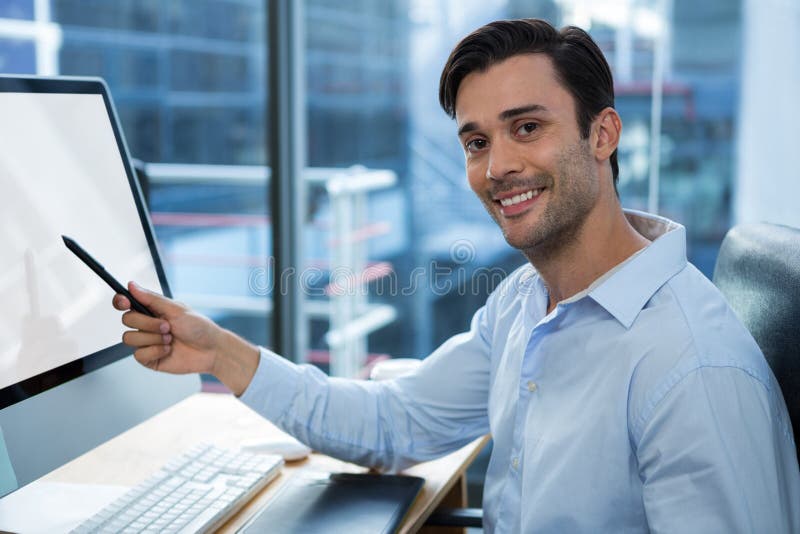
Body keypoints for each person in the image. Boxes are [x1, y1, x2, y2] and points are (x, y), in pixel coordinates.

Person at [114, 18, 800, 533]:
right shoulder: (527, 305)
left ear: (603, 135)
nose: (495, 166)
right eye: (477, 142)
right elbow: (394, 421)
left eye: (526, 127)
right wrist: (220, 353)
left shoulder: (693, 371)